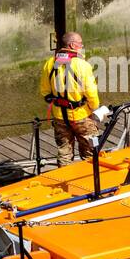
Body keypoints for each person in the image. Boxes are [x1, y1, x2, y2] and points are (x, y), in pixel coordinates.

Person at [40, 32, 103, 167]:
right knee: (91, 151)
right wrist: (95, 110)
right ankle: (90, 179)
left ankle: (64, 181)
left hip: (59, 117)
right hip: (82, 117)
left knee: (64, 152)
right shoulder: (82, 65)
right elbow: (91, 93)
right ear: (73, 45)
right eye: (80, 44)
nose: (82, 46)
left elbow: (45, 92)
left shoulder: (49, 64)